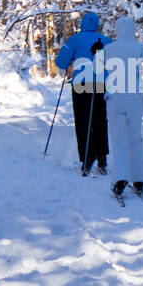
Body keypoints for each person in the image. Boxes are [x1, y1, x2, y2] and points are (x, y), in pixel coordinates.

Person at [101, 16, 143, 200]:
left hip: (115, 98)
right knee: (135, 138)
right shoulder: (140, 47)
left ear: (116, 30)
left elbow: (96, 69)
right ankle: (138, 180)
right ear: (132, 29)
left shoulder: (108, 49)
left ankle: (120, 179)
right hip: (135, 98)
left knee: (120, 141)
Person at [55, 12, 111, 175]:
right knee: (100, 119)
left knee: (82, 120)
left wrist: (70, 62)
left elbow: (61, 61)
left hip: (81, 84)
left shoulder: (76, 39)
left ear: (83, 24)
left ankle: (87, 157)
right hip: (100, 84)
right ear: (97, 25)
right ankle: (102, 157)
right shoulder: (106, 41)